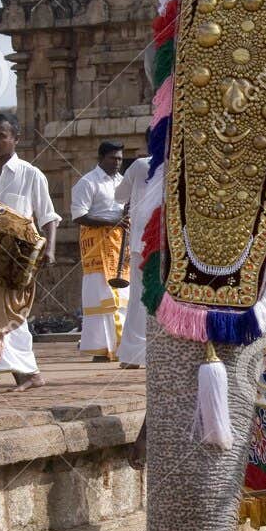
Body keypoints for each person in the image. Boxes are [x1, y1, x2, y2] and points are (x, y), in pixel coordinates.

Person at [0, 112, 59, 395]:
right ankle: (3, 372)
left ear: (15, 139)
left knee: (12, 315)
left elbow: (49, 217)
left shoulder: (31, 174)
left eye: (0, 136)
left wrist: (50, 250)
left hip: (19, 260)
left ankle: (11, 373)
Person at [71, 141, 127, 361]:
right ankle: (101, 349)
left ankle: (120, 346)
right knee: (100, 294)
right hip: (96, 245)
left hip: (120, 245)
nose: (117, 163)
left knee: (123, 296)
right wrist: (112, 220)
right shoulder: (88, 182)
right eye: (113, 158)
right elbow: (79, 215)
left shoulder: (123, 183)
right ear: (101, 158)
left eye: (120, 159)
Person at [114, 141, 150, 369]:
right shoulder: (179, 163)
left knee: (138, 299)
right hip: (170, 244)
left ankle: (132, 356)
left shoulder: (139, 165)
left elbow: (119, 196)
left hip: (142, 242)